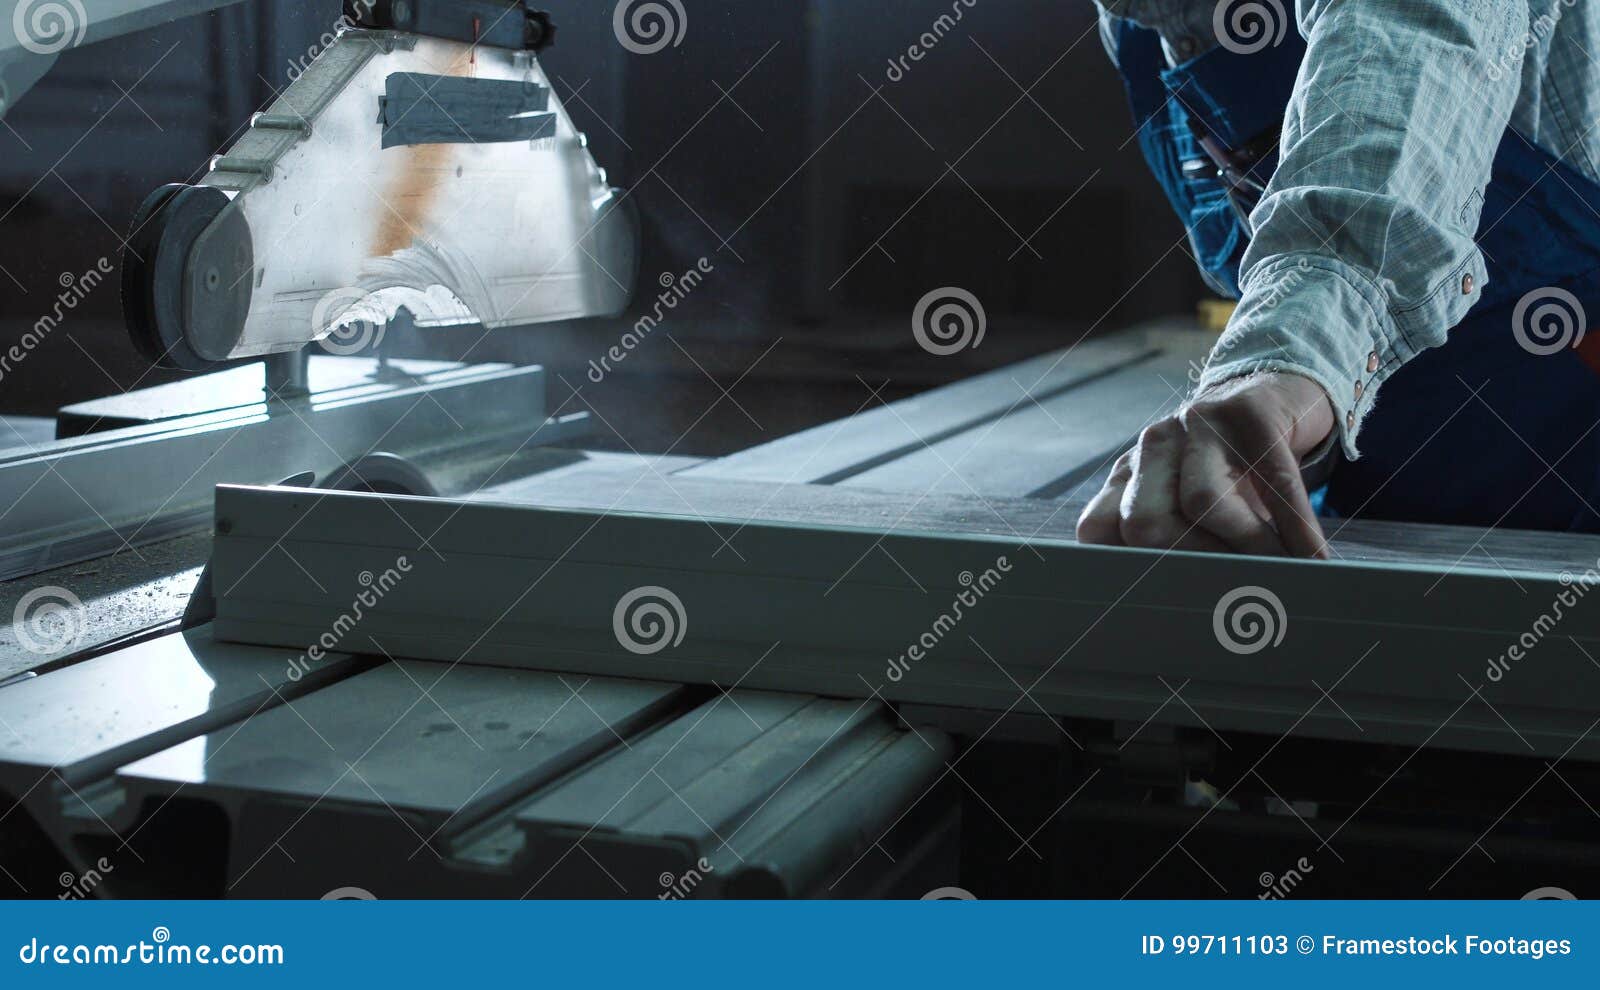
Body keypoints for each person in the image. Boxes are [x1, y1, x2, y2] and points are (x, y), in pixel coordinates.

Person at [1077, 1, 1600, 558]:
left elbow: (1407, 52)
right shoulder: (1137, 23)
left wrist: (1282, 360)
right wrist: (1278, 427)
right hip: (1386, 514)